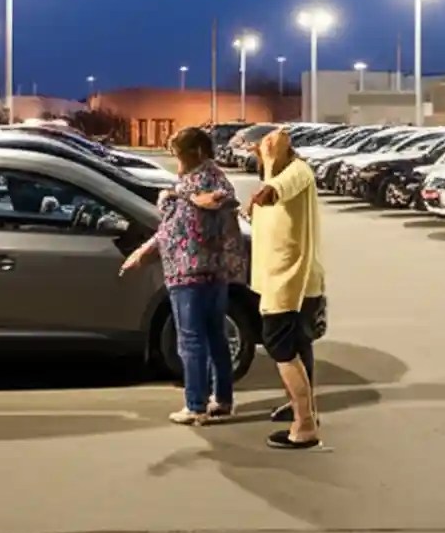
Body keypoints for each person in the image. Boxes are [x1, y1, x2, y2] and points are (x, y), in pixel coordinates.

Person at [122, 127, 244, 425]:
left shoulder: (192, 186)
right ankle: (223, 399)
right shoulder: (217, 180)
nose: (176, 164)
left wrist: (144, 250)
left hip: (187, 272)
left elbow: (173, 232)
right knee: (216, 336)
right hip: (215, 272)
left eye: (178, 156)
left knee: (190, 341)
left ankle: (195, 405)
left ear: (196, 154)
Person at [247, 128, 325, 450]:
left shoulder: (296, 172)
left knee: (281, 349)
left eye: (262, 153)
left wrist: (269, 162)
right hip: (286, 281)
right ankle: (303, 410)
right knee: (297, 346)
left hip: (290, 283)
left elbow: (272, 192)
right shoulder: (284, 173)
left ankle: (304, 425)